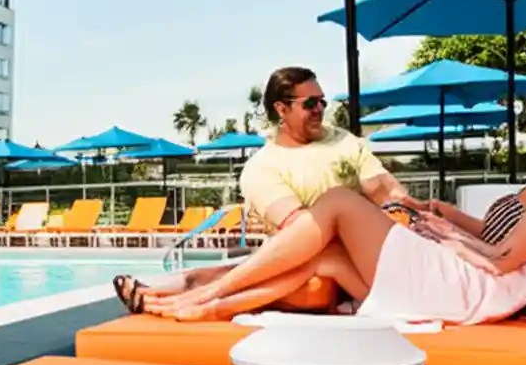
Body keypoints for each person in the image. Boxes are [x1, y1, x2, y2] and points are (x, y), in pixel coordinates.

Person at [145, 71, 526, 323]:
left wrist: (447, 241)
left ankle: (207, 289)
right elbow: (502, 241)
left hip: (475, 291)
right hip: (473, 283)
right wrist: (443, 221)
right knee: (327, 257)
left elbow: (505, 260)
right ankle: (212, 305)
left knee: (338, 202)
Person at [113, 65, 408, 313]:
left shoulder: (343, 141)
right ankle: (186, 292)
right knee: (314, 285)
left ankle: (193, 295)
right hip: (309, 263)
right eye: (310, 104)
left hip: (361, 257)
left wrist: (405, 215)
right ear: (281, 109)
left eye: (322, 102)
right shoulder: (262, 168)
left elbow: (387, 193)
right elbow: (301, 229)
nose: (319, 110)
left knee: (319, 257)